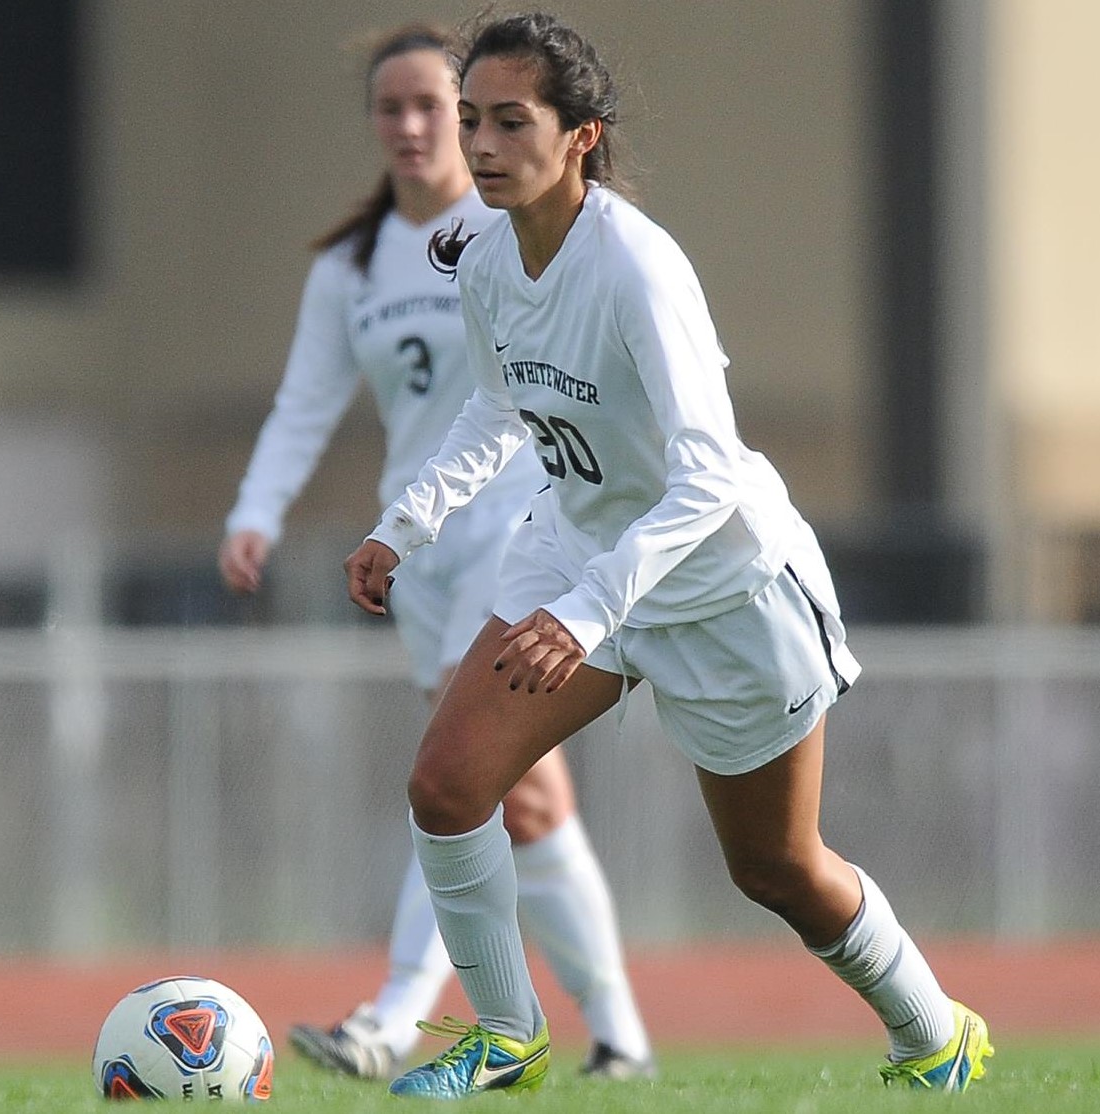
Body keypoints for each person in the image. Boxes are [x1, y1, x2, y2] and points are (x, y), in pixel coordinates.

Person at [344, 12, 994, 1098]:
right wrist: (403, 525)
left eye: (512, 121)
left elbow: (706, 478)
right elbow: (496, 410)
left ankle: (935, 1034)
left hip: (723, 587)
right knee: (447, 787)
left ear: (581, 136)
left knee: (777, 869)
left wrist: (588, 610)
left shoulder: (638, 269)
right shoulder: (487, 258)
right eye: (472, 121)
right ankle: (507, 1036)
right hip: (579, 555)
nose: (482, 146)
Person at [218, 23, 655, 1083]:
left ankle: (394, 1016)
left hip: (522, 530)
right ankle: (622, 1040)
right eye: (395, 108)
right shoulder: (351, 265)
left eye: (436, 107)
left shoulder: (511, 230)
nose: (415, 126)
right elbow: (304, 401)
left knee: (457, 779)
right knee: (525, 801)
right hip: (418, 547)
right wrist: (255, 510)